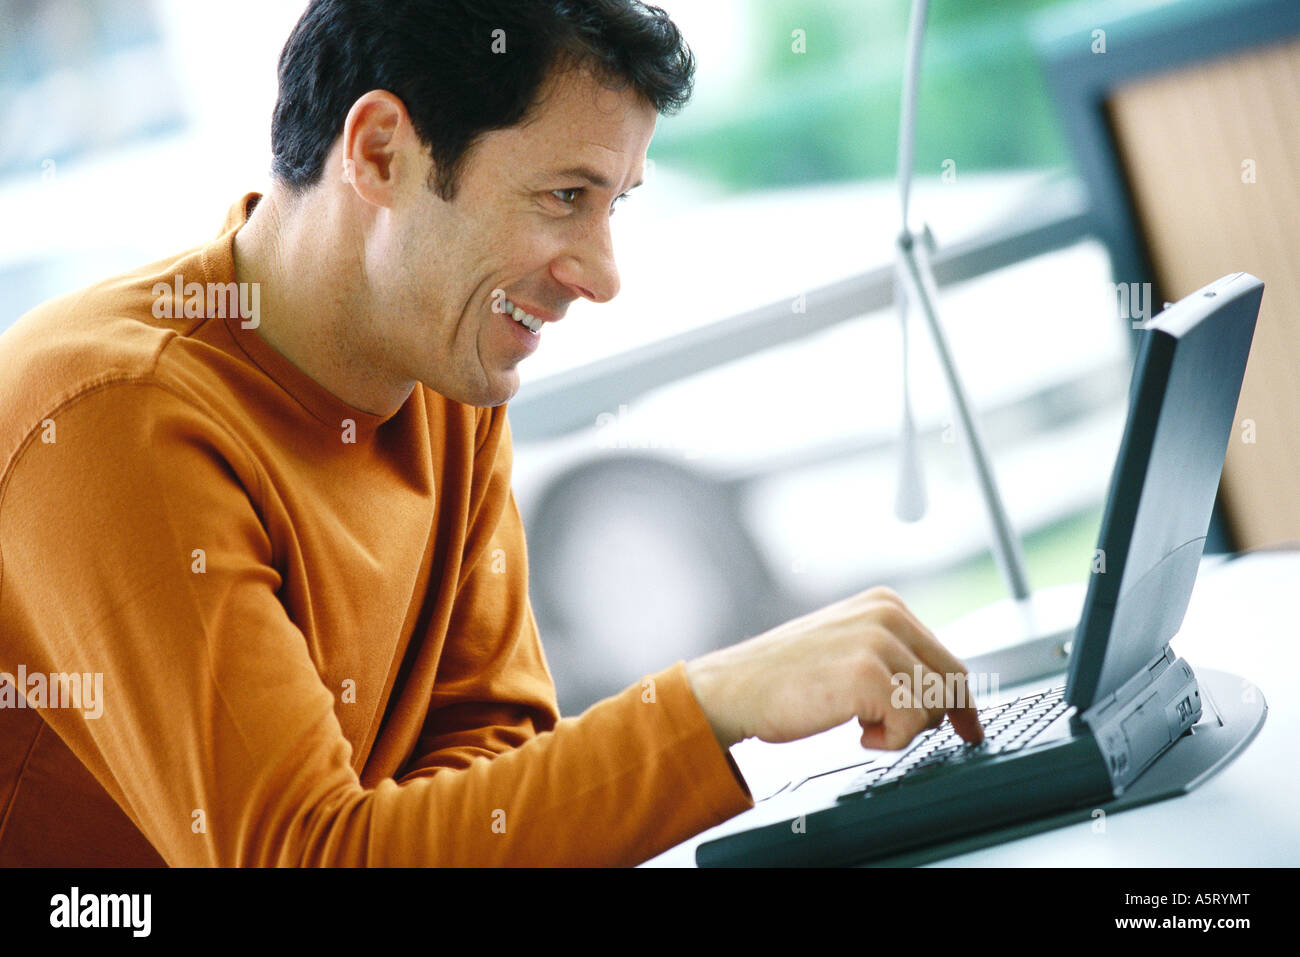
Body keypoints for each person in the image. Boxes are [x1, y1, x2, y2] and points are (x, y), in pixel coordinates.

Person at [0, 0, 981, 867]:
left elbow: (494, 756)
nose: (601, 276)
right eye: (565, 197)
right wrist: (714, 701)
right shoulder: (112, 414)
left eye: (614, 206)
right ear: (382, 152)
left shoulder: (440, 368)